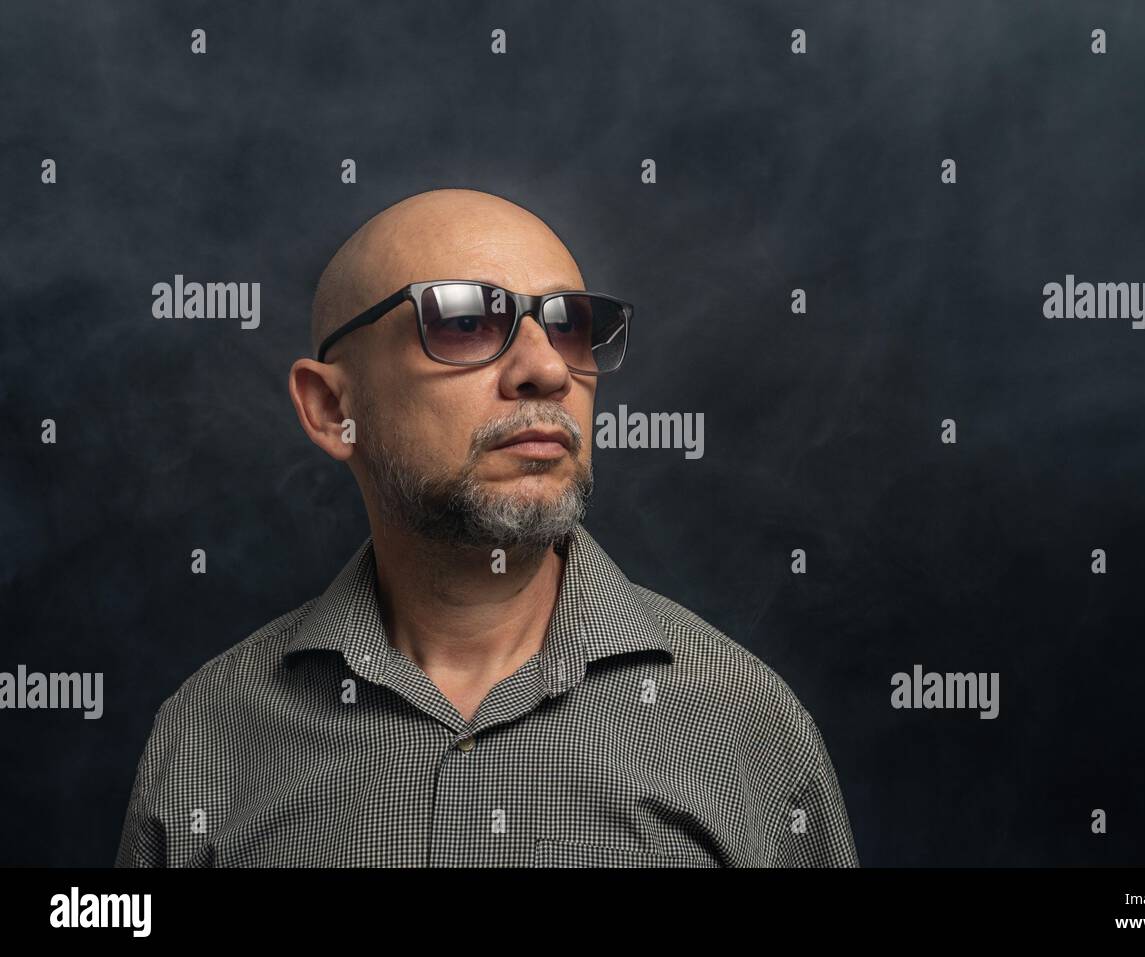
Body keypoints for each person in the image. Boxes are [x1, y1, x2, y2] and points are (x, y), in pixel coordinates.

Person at [114, 188, 858, 867]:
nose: (546, 370)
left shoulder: (744, 724)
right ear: (329, 408)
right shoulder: (208, 734)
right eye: (466, 320)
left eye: (572, 327)